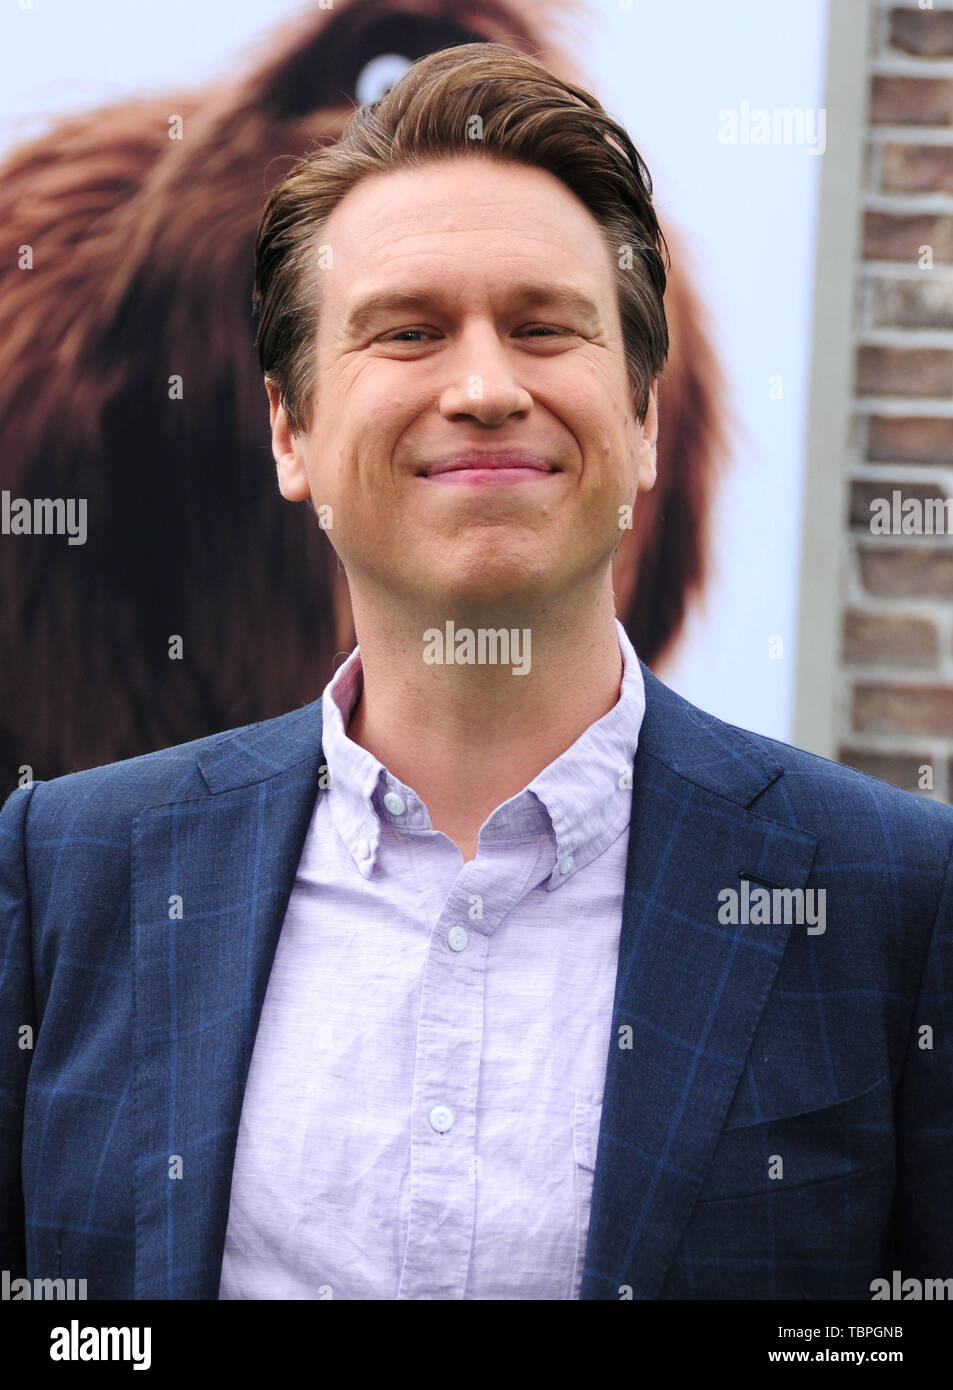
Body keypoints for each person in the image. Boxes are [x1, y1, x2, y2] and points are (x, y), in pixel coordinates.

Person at [1, 43, 950, 1302]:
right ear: (291, 430)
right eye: (407, 330)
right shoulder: (71, 871)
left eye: (544, 326)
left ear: (646, 419)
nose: (487, 387)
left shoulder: (891, 894)